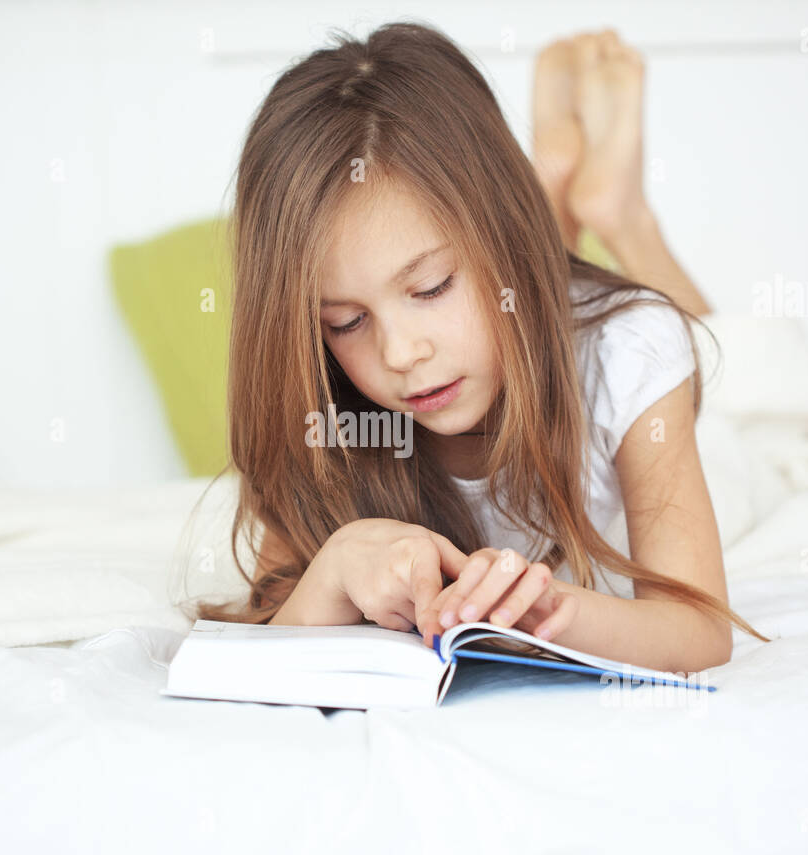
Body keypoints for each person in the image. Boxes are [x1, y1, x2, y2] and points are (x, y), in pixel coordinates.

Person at [195, 22, 768, 674]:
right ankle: (551, 188)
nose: (401, 353)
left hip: (701, 434)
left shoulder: (629, 352)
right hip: (527, 292)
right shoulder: (328, 403)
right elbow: (265, 635)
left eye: (432, 286)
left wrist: (550, 613)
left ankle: (619, 213)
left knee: (774, 413)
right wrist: (329, 573)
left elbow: (700, 628)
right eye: (347, 321)